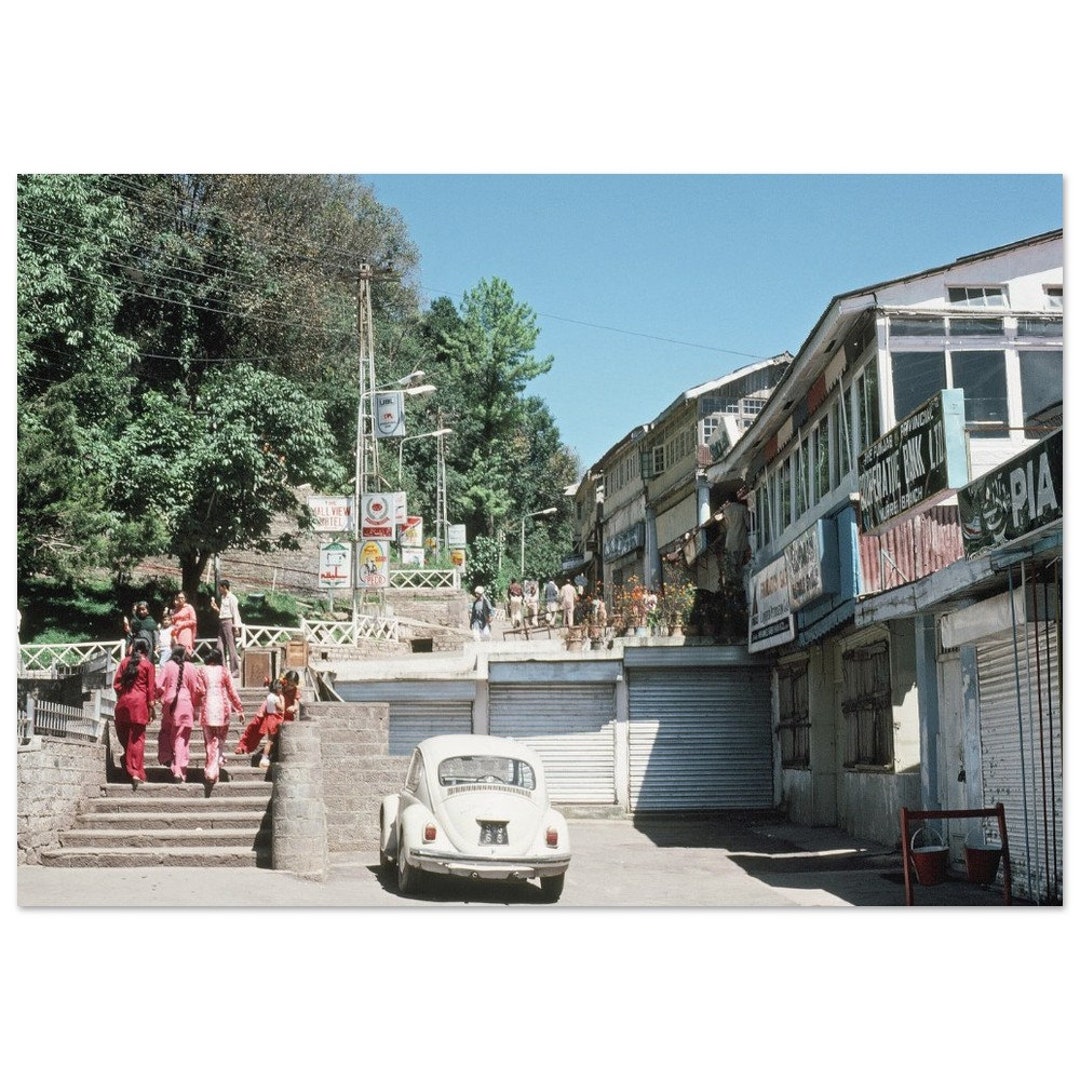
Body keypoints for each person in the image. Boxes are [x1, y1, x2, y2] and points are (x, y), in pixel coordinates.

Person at [112, 638, 157, 790]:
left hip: (123, 704)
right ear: (147, 650)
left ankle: (128, 764)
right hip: (139, 705)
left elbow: (116, 684)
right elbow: (151, 690)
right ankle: (135, 771)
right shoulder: (148, 665)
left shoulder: (124, 662)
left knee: (126, 739)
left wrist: (123, 695)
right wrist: (151, 708)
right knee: (137, 740)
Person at [156, 644, 205, 783]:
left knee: (166, 731)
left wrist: (158, 697)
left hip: (169, 703)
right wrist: (196, 706)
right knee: (182, 738)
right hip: (185, 704)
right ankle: (179, 769)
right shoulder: (190, 667)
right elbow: (197, 689)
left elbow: (158, 685)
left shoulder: (168, 665)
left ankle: (167, 756)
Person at [197, 647, 244, 788]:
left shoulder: (201, 670)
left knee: (210, 741)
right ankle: (216, 764)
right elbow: (232, 691)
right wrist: (239, 709)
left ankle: (211, 771)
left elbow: (200, 691)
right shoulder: (224, 671)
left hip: (207, 710)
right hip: (223, 709)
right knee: (220, 740)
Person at [210, 579, 243, 677]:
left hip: (229, 622)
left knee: (231, 646)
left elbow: (235, 613)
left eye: (220, 587)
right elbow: (223, 612)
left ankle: (235, 670)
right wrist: (216, 608)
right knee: (219, 646)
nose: (219, 589)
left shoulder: (232, 598)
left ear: (224, 587)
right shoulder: (223, 598)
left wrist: (236, 627)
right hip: (222, 621)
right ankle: (222, 668)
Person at [169, 591, 198, 657]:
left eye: (182, 598)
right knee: (176, 652)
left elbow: (194, 621)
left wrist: (182, 624)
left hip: (185, 631)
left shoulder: (189, 607)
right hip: (176, 633)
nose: (180, 599)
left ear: (185, 599)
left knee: (185, 651)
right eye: (178, 598)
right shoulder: (176, 609)